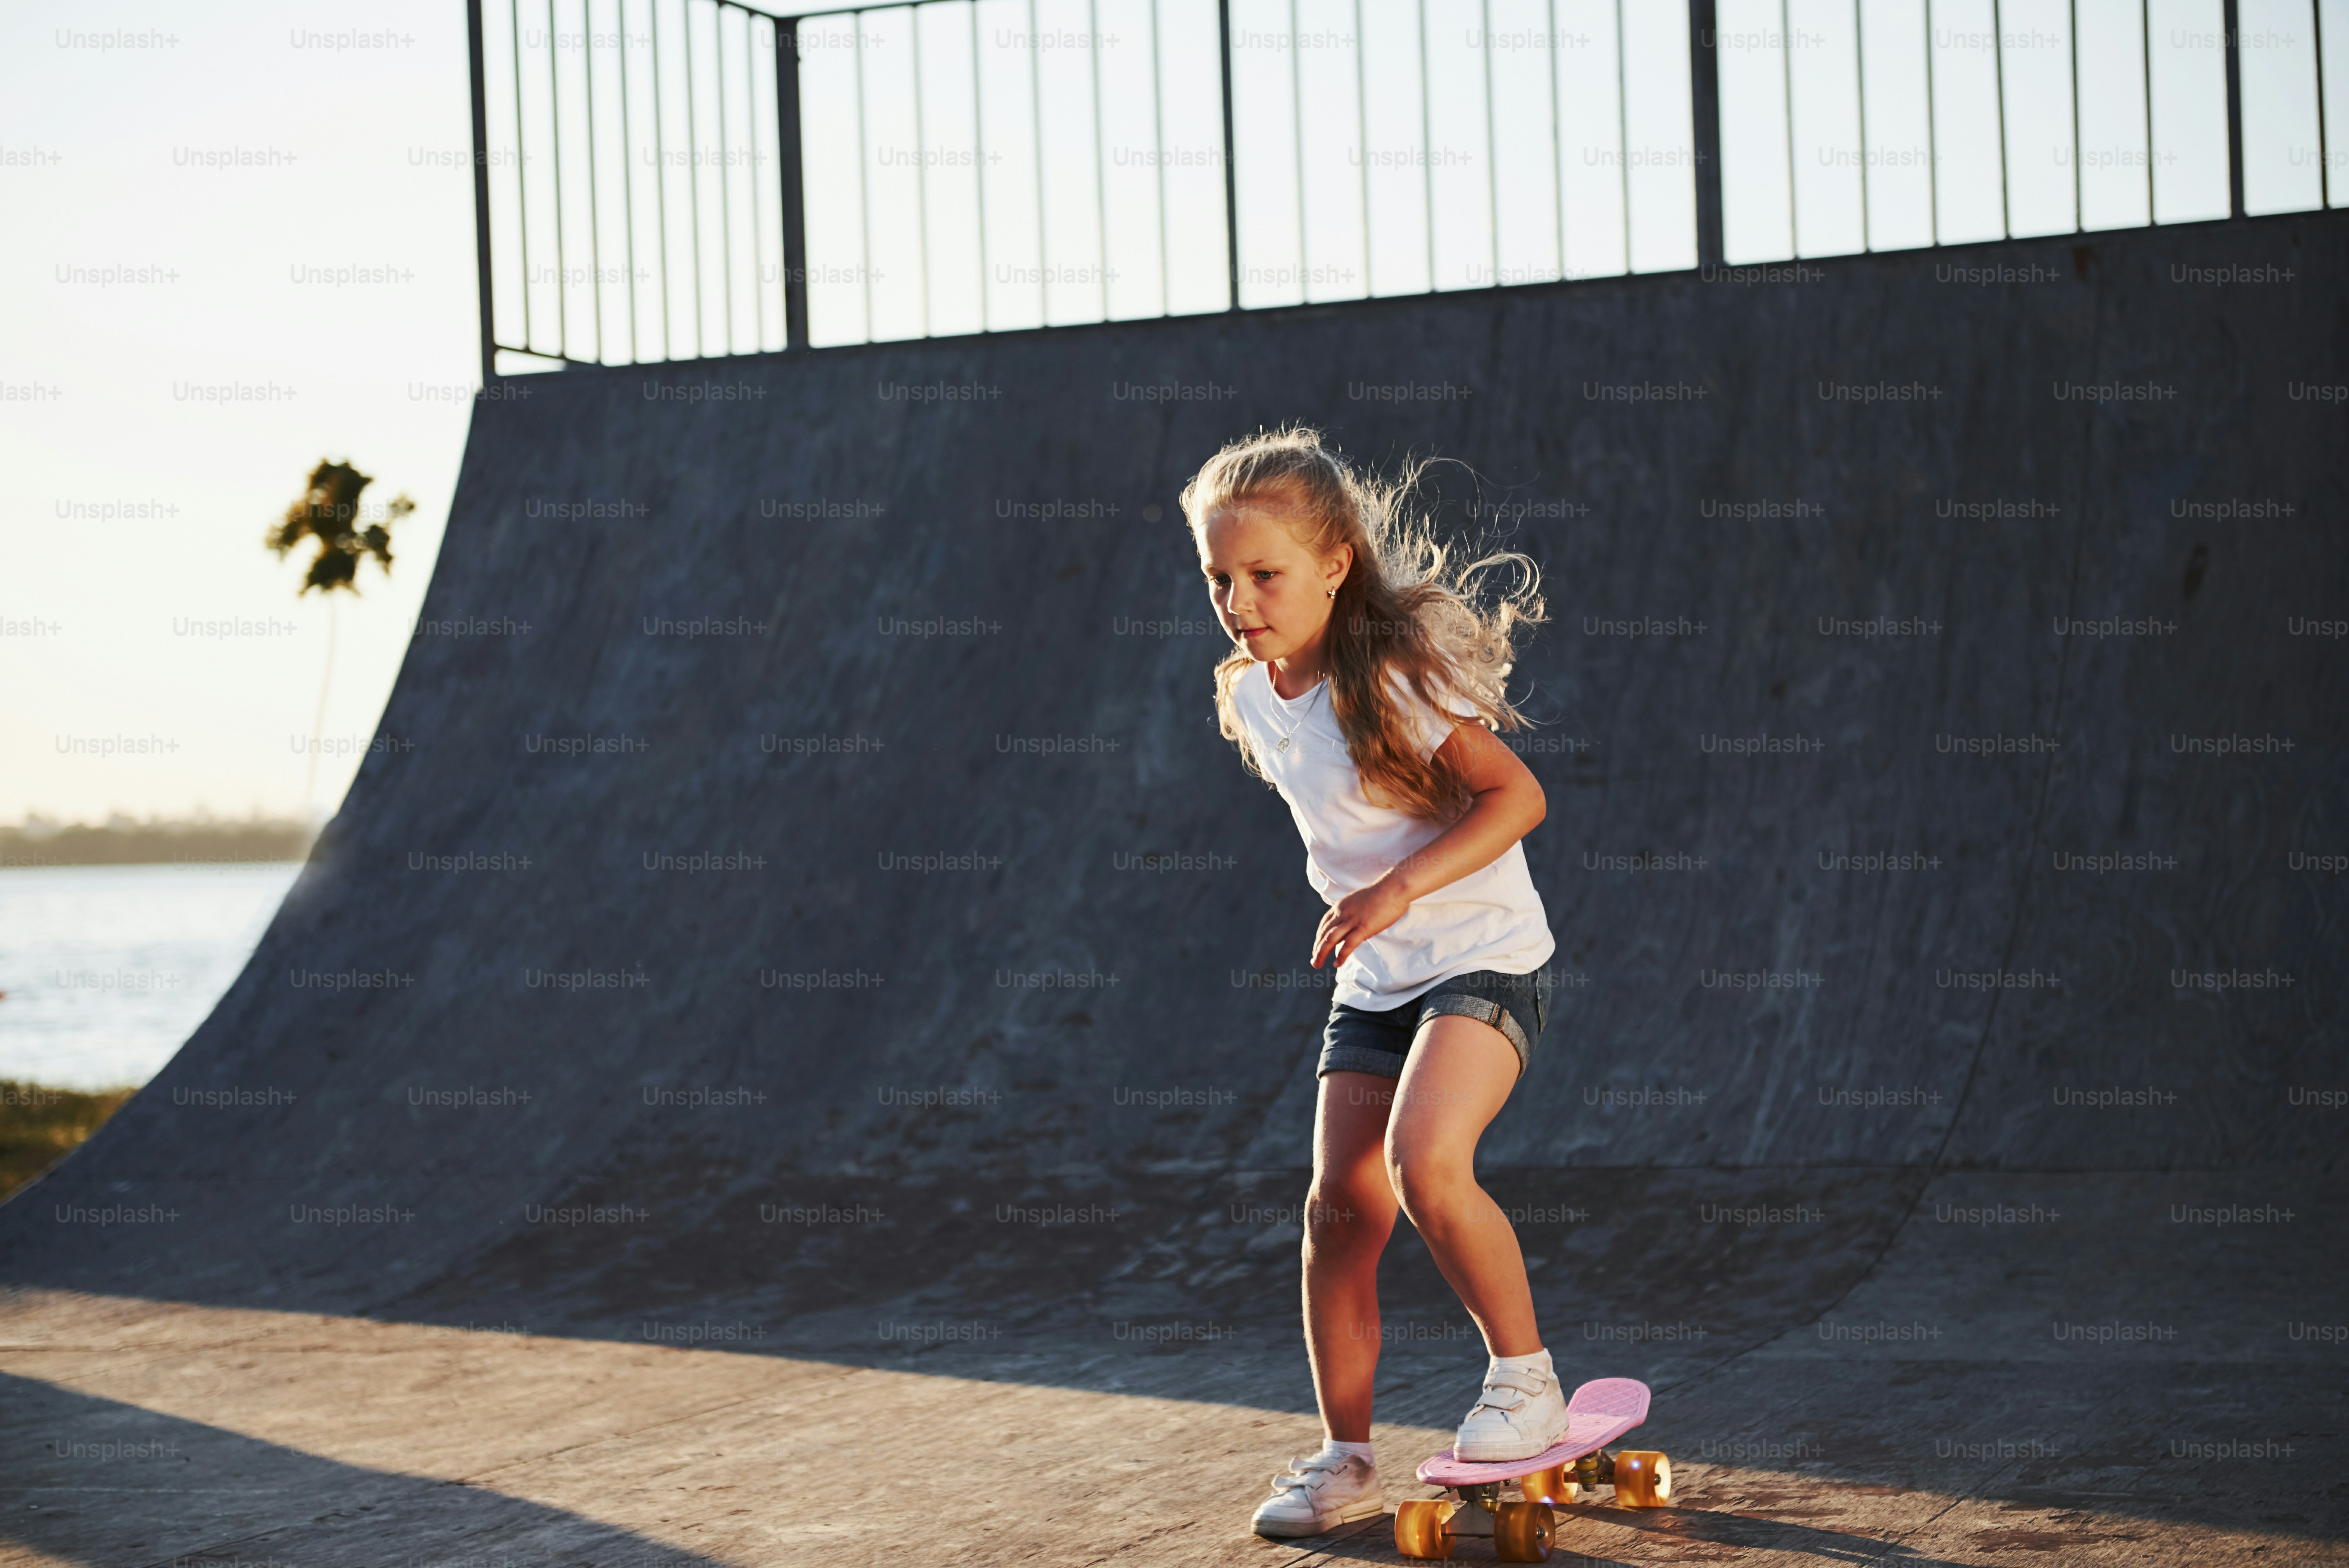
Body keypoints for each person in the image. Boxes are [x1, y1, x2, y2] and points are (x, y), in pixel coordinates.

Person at [1180, 427, 1563, 1539]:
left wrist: (1395, 889)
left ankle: (1526, 1377)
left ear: (1337, 564)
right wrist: (1373, 911)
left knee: (1425, 1163)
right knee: (1339, 1211)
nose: (1239, 601)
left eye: (1265, 575)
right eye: (1219, 579)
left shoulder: (1392, 676)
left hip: (1486, 956)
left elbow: (1517, 798)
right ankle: (1344, 1457)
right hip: (1382, 978)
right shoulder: (1253, 694)